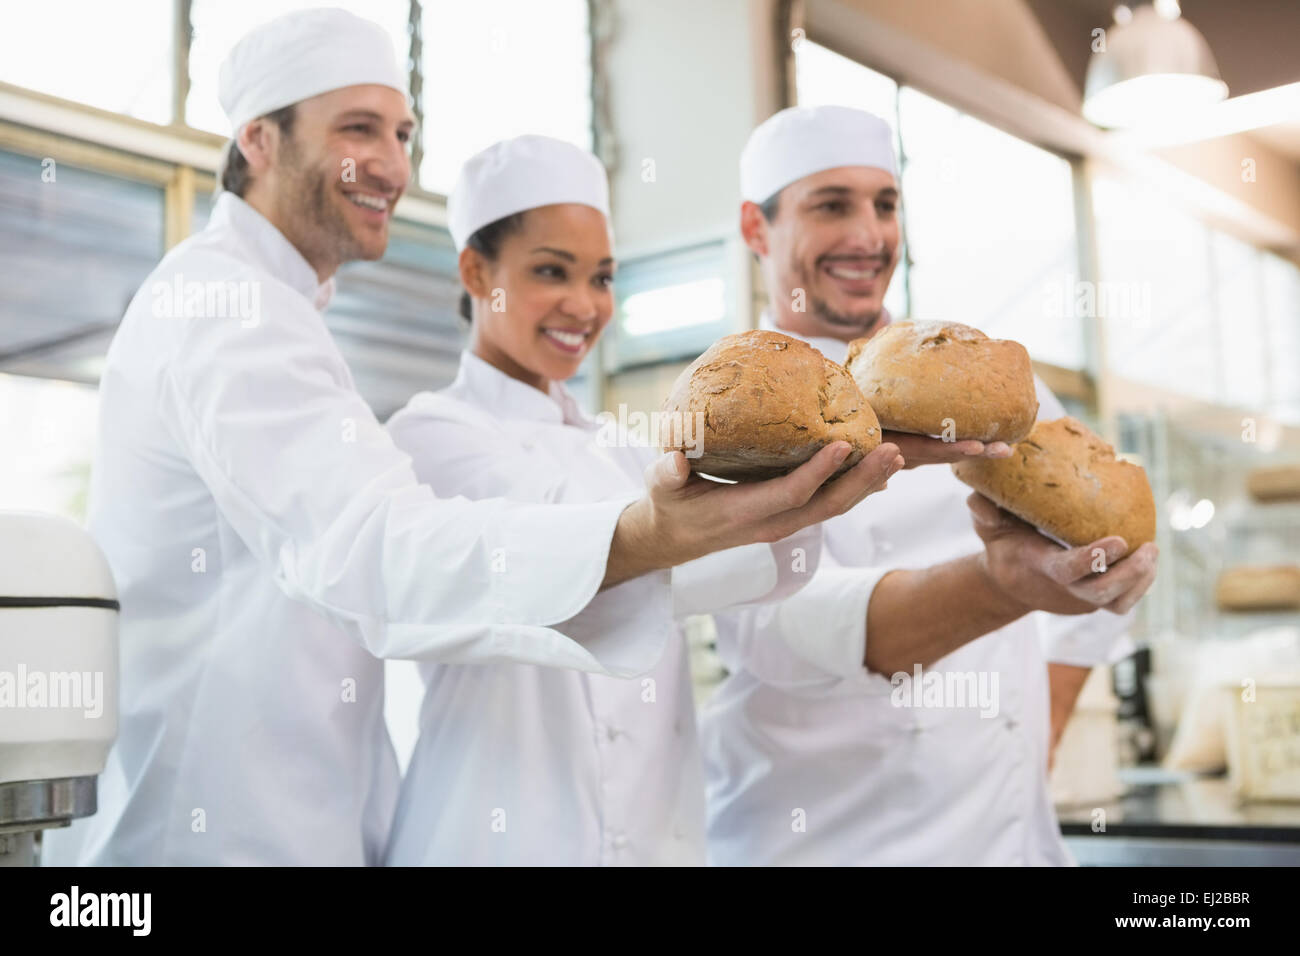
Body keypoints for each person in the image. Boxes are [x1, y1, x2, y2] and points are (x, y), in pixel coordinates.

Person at [41, 15, 898, 867]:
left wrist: (805, 488)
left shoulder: (284, 314)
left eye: (403, 132)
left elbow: (678, 578)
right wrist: (650, 533)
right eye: (357, 128)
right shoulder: (227, 305)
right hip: (207, 831)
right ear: (259, 141)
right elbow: (368, 547)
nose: (391, 162)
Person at [380, 136, 870, 865]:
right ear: (477, 271)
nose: (584, 305)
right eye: (552, 272)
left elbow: (739, 574)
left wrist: (825, 465)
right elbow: (561, 553)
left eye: (603, 277)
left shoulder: (622, 447)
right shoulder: (428, 435)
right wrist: (695, 524)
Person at [699, 105, 1160, 866]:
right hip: (828, 840)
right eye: (832, 205)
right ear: (756, 228)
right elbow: (780, 633)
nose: (869, 235)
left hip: (1008, 836)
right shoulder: (745, 406)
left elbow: (1101, 534)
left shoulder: (980, 383)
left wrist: (1040, 722)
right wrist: (1005, 587)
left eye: (885, 204)